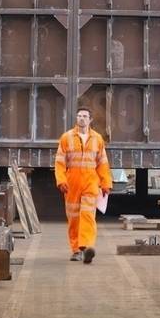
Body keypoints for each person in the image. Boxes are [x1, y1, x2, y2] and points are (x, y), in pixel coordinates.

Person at [54, 106, 112, 263]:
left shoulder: (97, 139)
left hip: (91, 182)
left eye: (85, 116)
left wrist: (106, 182)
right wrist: (61, 181)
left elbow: (102, 163)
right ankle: (75, 250)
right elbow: (59, 162)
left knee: (87, 215)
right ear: (76, 119)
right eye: (79, 116)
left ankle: (86, 247)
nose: (81, 118)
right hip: (72, 182)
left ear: (90, 120)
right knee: (73, 218)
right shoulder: (66, 138)